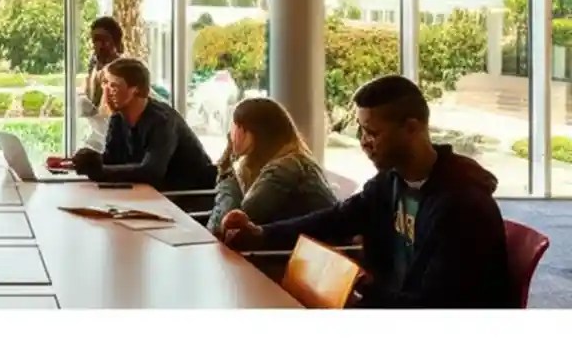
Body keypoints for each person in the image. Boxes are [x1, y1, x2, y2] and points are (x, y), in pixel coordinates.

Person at [221, 75, 516, 308]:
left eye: (373, 133)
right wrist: (261, 234)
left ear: (412, 128)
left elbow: (434, 307)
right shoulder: (390, 182)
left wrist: (357, 289)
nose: (364, 142)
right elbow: (337, 218)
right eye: (361, 131)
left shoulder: (461, 206)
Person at [71, 57, 217, 189]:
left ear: (135, 90)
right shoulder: (118, 119)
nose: (106, 92)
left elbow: (152, 172)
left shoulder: (162, 121)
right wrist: (88, 160)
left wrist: (100, 171)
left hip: (190, 198)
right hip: (156, 196)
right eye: (105, 84)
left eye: (114, 86)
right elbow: (113, 161)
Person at [206, 97, 336, 235]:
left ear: (248, 133)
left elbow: (226, 229)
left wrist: (228, 170)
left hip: (304, 254)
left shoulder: (285, 168)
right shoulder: (290, 161)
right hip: (294, 249)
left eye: (235, 127)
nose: (231, 135)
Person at [77, 16, 124, 151]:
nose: (98, 45)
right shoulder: (94, 68)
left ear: (115, 42)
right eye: (95, 40)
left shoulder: (122, 71)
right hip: (98, 139)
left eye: (104, 40)